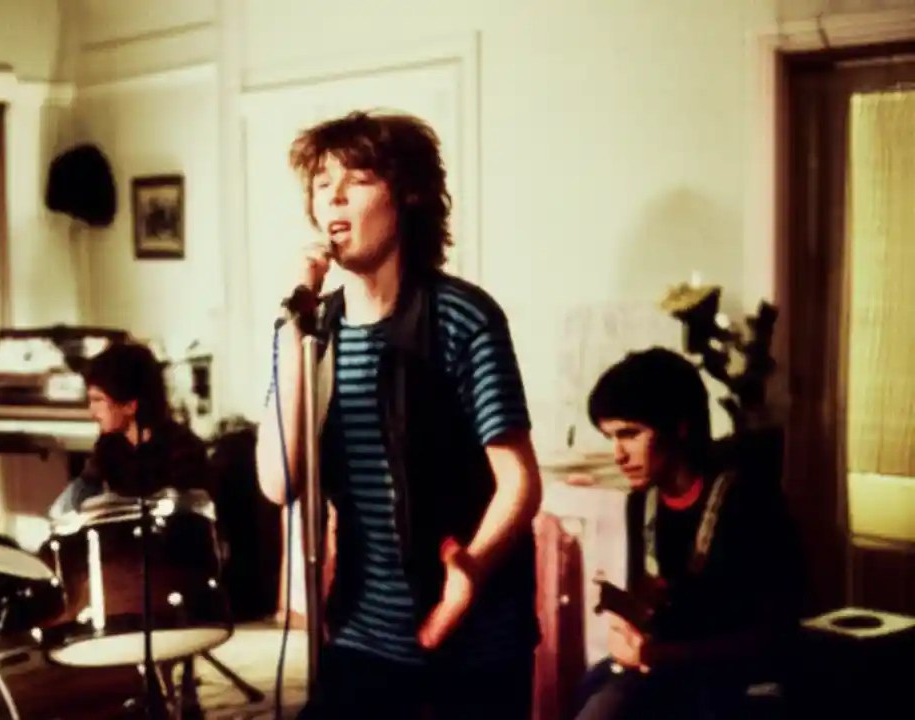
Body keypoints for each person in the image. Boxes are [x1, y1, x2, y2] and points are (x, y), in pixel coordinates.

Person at [256, 110, 543, 719]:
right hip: (364, 636)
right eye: (320, 182)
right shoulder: (315, 331)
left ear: (406, 193)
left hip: (475, 643)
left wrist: (472, 573)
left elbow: (519, 482)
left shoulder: (462, 319)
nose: (332, 195)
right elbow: (279, 481)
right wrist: (290, 324)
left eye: (356, 178)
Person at [572, 348, 802, 720]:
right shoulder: (641, 503)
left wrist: (661, 653)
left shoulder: (748, 502)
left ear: (679, 426)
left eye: (630, 434)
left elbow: (776, 635)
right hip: (668, 671)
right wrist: (629, 627)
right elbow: (655, 605)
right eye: (610, 437)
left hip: (740, 681)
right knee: (594, 696)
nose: (617, 453)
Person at [48, 342, 209, 517]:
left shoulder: (183, 450)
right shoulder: (110, 445)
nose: (92, 412)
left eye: (98, 400)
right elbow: (79, 496)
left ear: (130, 406)